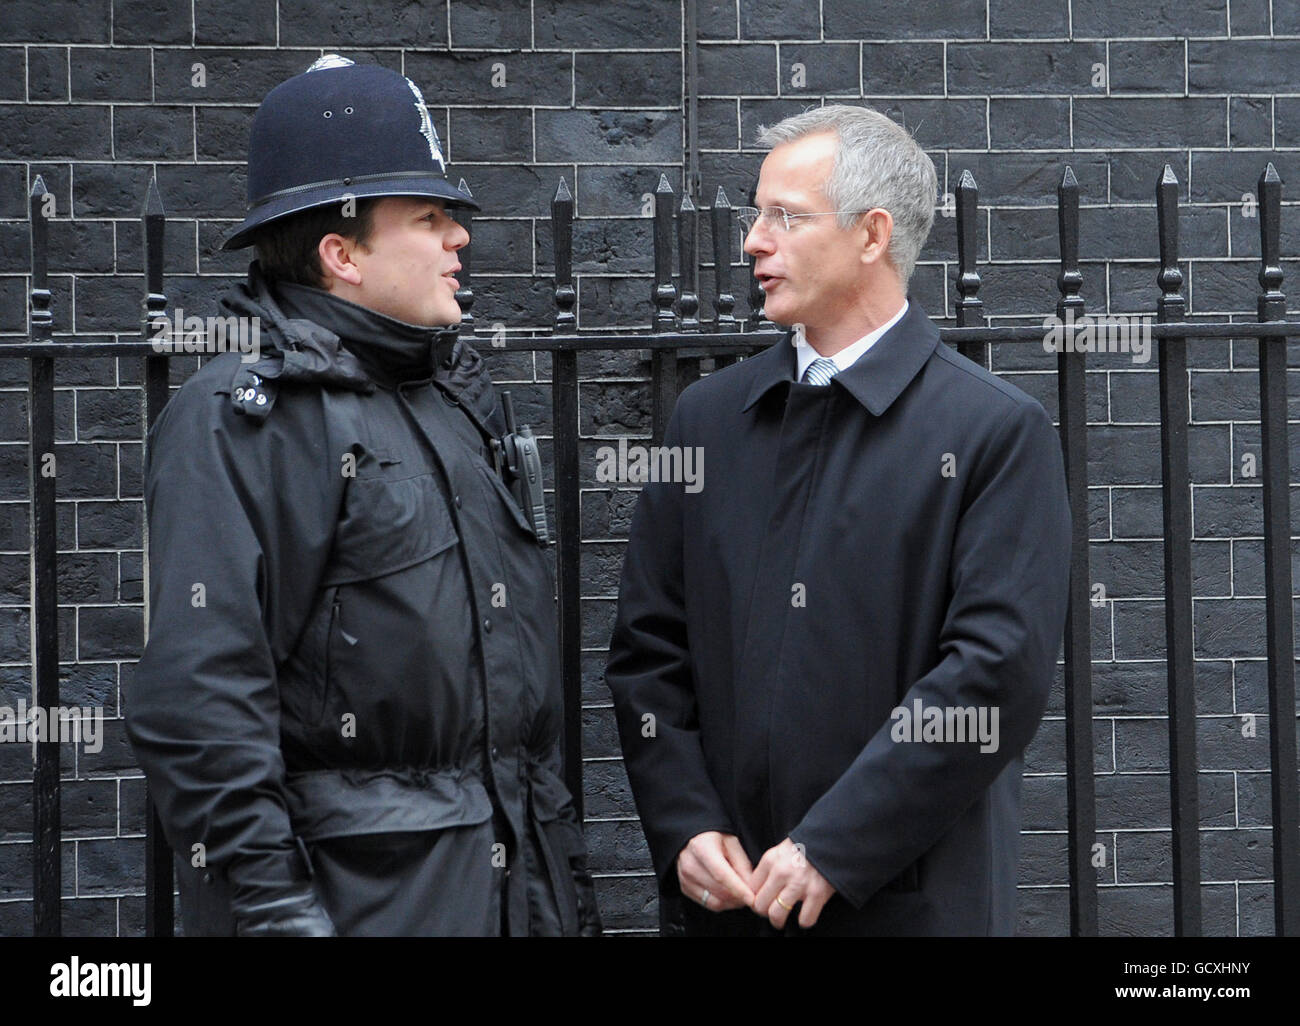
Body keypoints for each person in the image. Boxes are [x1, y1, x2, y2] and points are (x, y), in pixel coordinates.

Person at [125, 55, 600, 937]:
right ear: (341, 252)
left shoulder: (457, 399)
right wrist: (275, 912)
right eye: (428, 218)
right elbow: (200, 701)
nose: (460, 238)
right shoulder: (236, 420)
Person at [605, 104, 1072, 936]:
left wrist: (835, 845)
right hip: (730, 904)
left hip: (913, 907)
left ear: (871, 235)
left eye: (785, 216)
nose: (752, 240)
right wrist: (683, 824)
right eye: (757, 213)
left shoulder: (993, 431)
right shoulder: (708, 421)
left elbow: (994, 677)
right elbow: (648, 651)